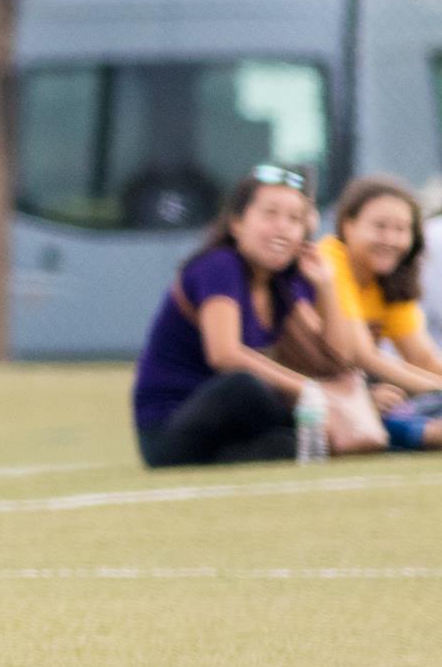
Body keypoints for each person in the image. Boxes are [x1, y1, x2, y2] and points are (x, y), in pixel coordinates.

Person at [131, 167, 375, 467]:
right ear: (237, 222)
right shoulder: (220, 266)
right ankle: (342, 427)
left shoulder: (283, 282)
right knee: (245, 386)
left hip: (227, 431)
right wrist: (313, 392)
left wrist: (326, 285)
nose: (282, 227)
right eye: (270, 214)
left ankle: (307, 436)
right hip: (169, 430)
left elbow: (340, 360)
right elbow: (225, 355)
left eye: (295, 219)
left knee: (288, 445)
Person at [319, 175, 442, 450]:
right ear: (348, 225)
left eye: (401, 229)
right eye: (379, 226)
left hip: (361, 387)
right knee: (394, 402)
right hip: (319, 392)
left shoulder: (389, 277)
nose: (391, 239)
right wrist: (437, 390)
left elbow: (422, 357)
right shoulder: (330, 259)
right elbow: (363, 356)